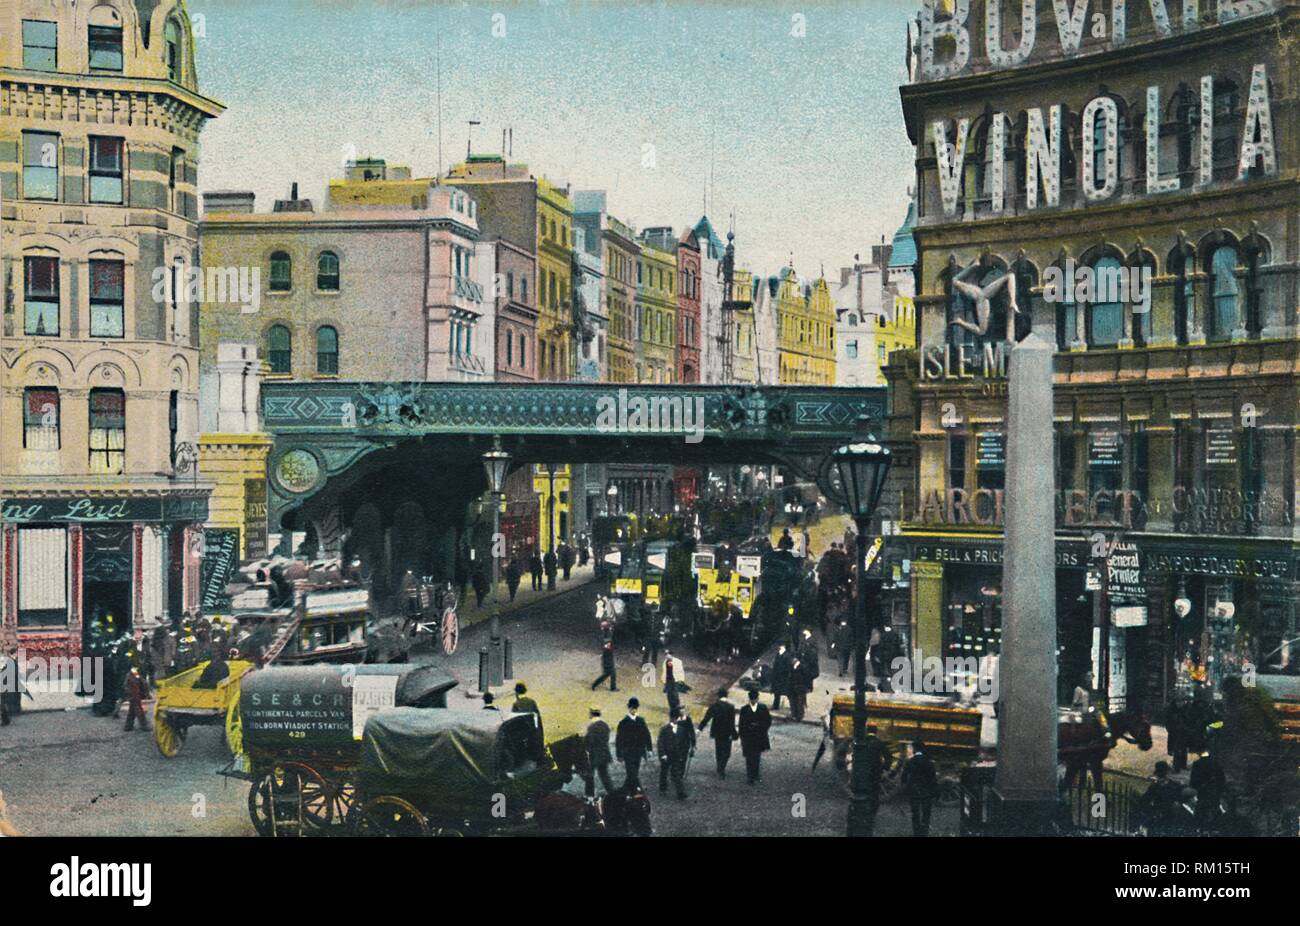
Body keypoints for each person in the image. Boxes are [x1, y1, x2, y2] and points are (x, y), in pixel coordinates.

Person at [857, 728, 893, 835]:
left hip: (863, 773)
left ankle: (862, 816)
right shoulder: (879, 743)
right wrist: (884, 768)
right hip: (875, 773)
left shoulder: (862, 742)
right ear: (876, 732)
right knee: (874, 795)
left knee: (862, 793)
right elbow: (889, 757)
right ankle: (871, 817)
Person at [900, 742, 939, 836]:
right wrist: (936, 792)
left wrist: (905, 785)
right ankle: (924, 832)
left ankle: (916, 832)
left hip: (914, 790)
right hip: (926, 790)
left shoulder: (910, 761)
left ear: (915, 749)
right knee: (926, 812)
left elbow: (904, 776)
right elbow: (933, 779)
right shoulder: (929, 762)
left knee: (915, 812)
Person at [697, 688, 738, 777]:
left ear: (718, 696)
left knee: (719, 750)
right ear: (726, 695)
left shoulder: (714, 706)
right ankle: (721, 768)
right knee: (727, 752)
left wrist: (699, 729)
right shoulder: (730, 707)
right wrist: (734, 734)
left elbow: (706, 718)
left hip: (717, 732)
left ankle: (719, 767)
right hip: (727, 732)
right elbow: (732, 722)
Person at [657, 707, 695, 799]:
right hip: (667, 755)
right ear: (671, 718)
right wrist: (663, 754)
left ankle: (680, 792)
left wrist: (684, 753)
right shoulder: (665, 729)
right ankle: (663, 787)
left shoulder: (682, 730)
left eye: (677, 718)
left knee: (676, 773)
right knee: (664, 771)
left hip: (677, 755)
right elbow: (660, 743)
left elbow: (685, 742)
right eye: (674, 718)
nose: (676, 720)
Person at [1139, 760, 1185, 836]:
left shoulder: (1156, 787)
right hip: (1163, 816)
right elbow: (1144, 801)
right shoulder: (1172, 785)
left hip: (1167, 816)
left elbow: (1144, 801)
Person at [615, 697, 652, 789]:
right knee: (632, 773)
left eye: (635, 708)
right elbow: (619, 739)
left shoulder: (641, 720)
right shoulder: (623, 723)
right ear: (629, 708)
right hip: (628, 752)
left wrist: (649, 749)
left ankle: (627, 789)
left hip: (639, 751)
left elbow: (647, 735)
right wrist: (619, 754)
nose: (634, 710)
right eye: (632, 708)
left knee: (634, 772)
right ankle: (636, 789)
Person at [738, 688, 772, 784]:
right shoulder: (744, 709)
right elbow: (741, 725)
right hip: (748, 737)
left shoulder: (763, 708)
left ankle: (755, 774)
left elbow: (768, 721)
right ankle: (750, 776)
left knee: (756, 757)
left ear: (757, 699)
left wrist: (760, 727)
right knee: (749, 758)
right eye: (751, 699)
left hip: (758, 736)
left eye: (754, 699)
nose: (753, 701)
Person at [1189, 749, 1227, 833]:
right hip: (1214, 794)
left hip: (1203, 793)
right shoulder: (1216, 764)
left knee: (1200, 813)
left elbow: (1193, 783)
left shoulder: (1197, 764)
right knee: (1215, 811)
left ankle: (1199, 829)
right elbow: (1222, 781)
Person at [585, 707, 615, 797]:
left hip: (594, 755)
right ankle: (612, 792)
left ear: (591, 714)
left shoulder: (592, 727)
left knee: (589, 775)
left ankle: (589, 795)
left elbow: (590, 741)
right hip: (604, 754)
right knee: (604, 775)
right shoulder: (605, 725)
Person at [511, 682, 544, 760]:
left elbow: (514, 722)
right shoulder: (532, 702)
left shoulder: (516, 704)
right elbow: (538, 719)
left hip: (523, 734)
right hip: (534, 733)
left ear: (517, 693)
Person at [123, 667, 151, 732]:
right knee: (139, 710)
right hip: (134, 694)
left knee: (132, 711)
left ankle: (128, 726)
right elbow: (142, 681)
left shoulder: (133, 673)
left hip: (134, 693)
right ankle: (144, 725)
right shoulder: (134, 672)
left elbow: (141, 681)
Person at [661, 649, 687, 716]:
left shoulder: (678, 662)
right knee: (669, 695)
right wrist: (664, 681)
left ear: (671, 655)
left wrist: (681, 680)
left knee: (675, 695)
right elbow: (664, 672)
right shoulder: (665, 662)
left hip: (675, 680)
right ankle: (672, 708)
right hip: (668, 681)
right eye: (666, 655)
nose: (667, 656)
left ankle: (677, 708)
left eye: (668, 655)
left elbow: (681, 671)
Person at [771, 644, 794, 713]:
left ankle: (793, 707)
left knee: (787, 693)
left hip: (783, 677)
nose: (779, 647)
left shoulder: (787, 655)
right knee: (776, 692)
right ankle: (775, 705)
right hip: (777, 676)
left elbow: (788, 667)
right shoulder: (779, 654)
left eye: (781, 646)